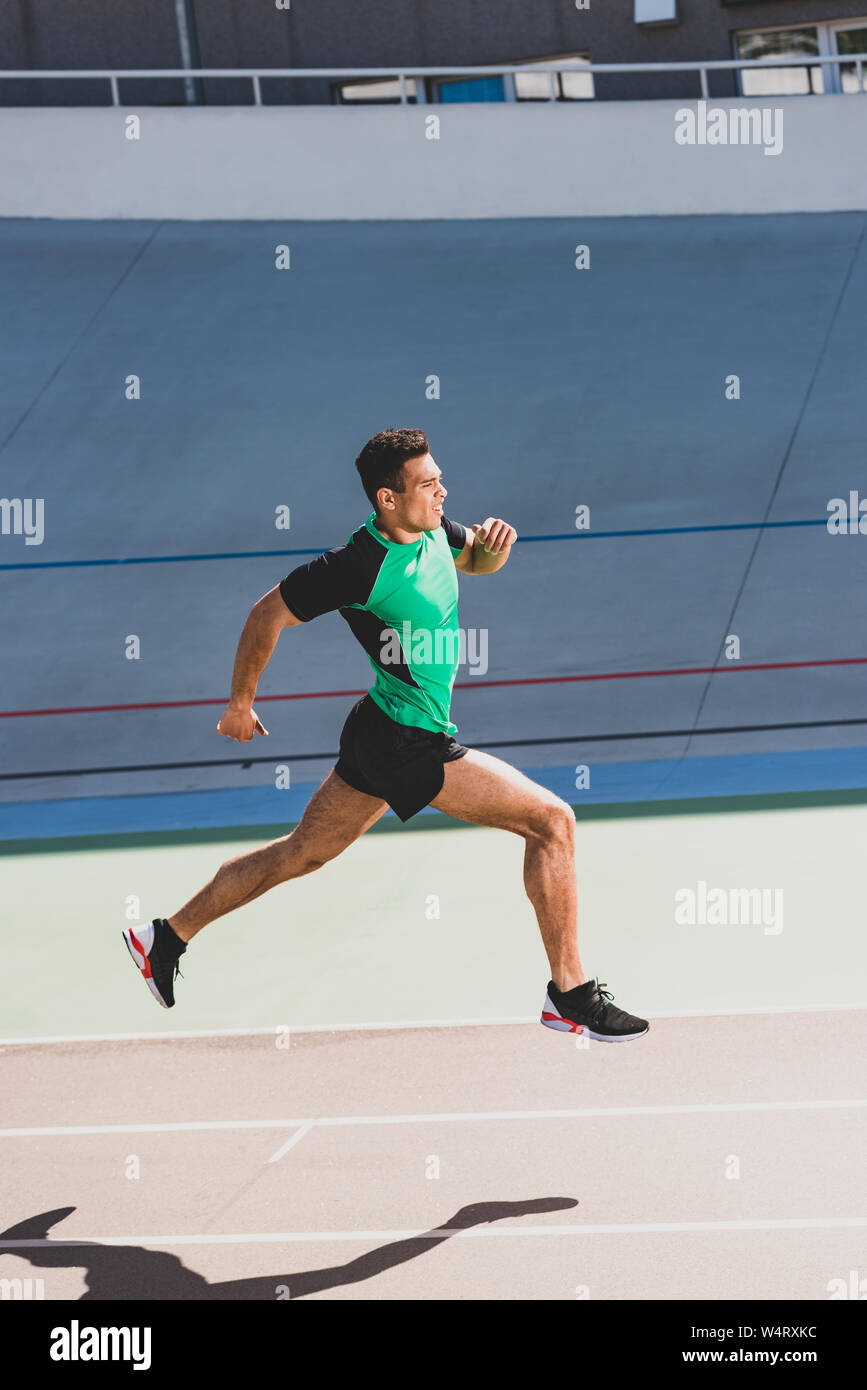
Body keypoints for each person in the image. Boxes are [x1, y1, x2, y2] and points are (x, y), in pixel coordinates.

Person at [123, 428, 648, 1042]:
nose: (443, 492)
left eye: (439, 478)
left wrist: (497, 549)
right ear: (387, 499)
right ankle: (571, 993)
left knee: (302, 852)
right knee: (552, 822)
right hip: (407, 739)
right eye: (428, 485)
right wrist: (240, 703)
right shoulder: (356, 567)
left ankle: (165, 937)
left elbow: (475, 560)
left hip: (377, 728)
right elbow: (266, 613)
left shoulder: (435, 531)